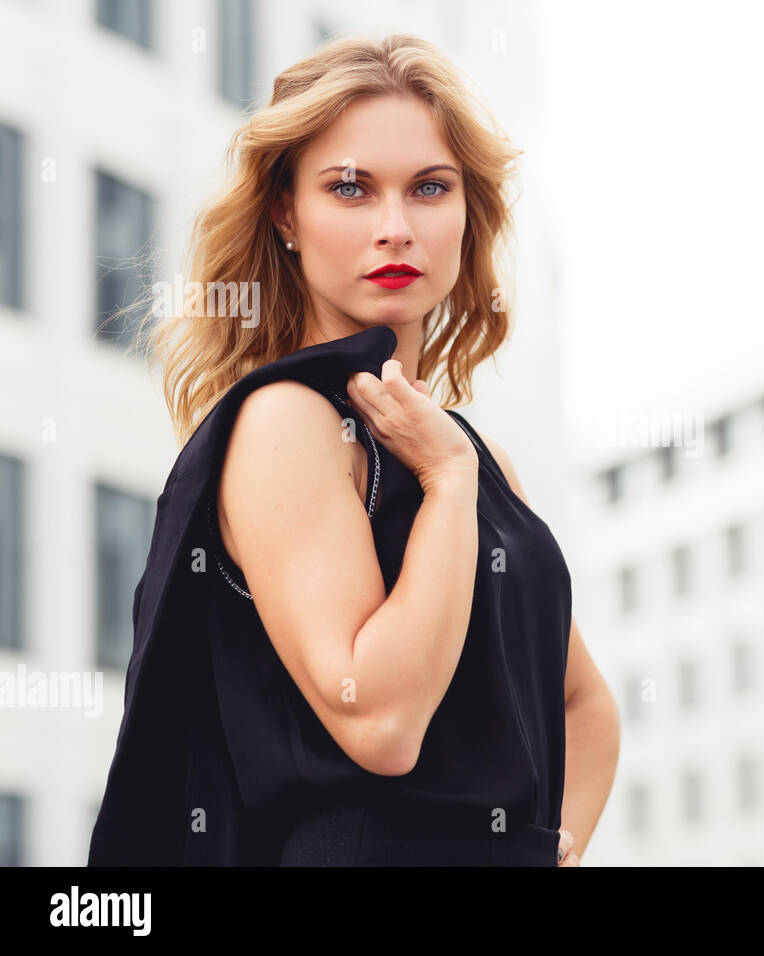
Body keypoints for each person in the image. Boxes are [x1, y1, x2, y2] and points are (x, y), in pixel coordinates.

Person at [87, 33, 620, 866]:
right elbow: (379, 720)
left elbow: (585, 705)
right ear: (286, 216)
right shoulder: (285, 422)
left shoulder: (478, 460)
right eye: (351, 189)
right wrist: (446, 483)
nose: (396, 227)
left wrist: (557, 848)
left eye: (430, 189)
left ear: (466, 213)